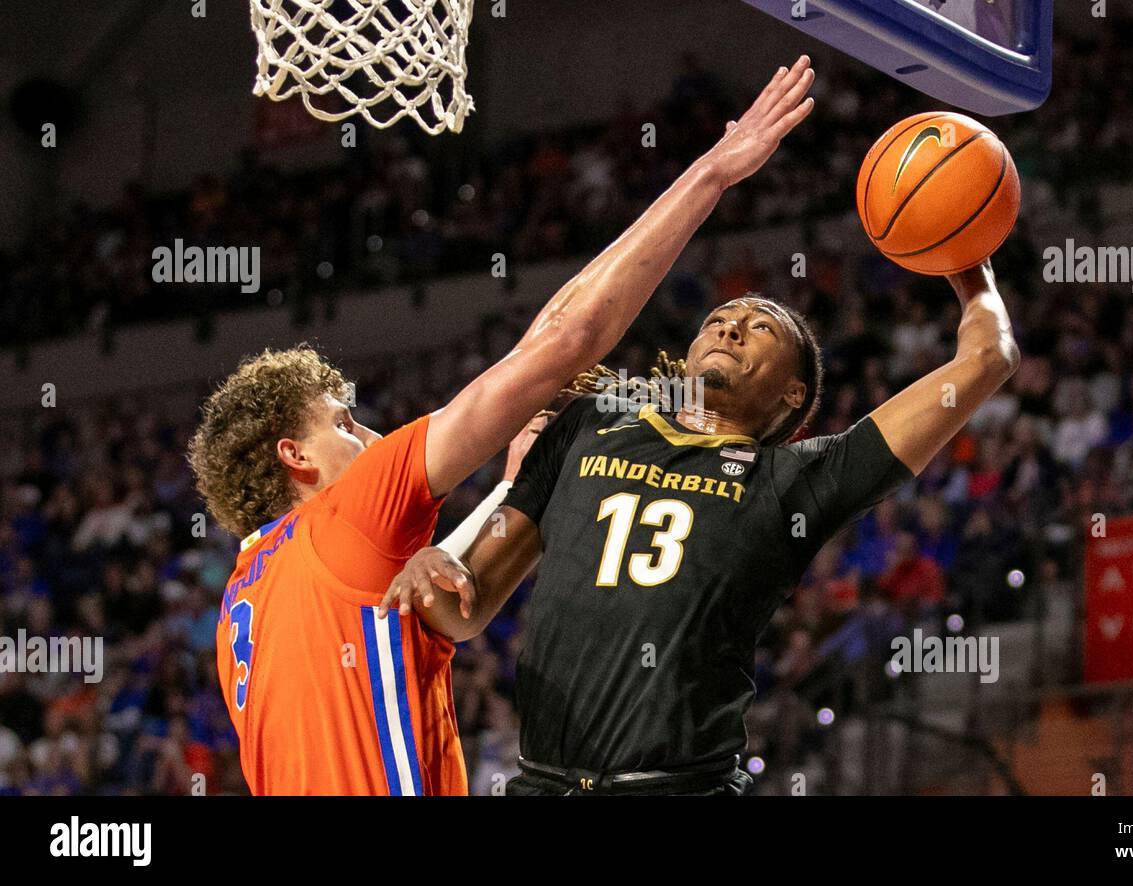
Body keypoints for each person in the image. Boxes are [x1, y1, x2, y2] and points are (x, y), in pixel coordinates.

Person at [187, 56, 818, 795]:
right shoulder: (348, 512)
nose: (369, 436)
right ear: (295, 456)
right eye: (344, 425)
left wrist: (510, 492)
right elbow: (560, 346)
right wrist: (710, 173)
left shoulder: (246, 595)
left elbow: (404, 601)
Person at [384, 255, 1019, 795]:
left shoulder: (796, 480)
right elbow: (466, 605)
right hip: (540, 781)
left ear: (794, 395)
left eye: (759, 327)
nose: (731, 328)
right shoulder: (586, 425)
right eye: (719, 320)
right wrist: (434, 563)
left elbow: (989, 356)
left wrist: (971, 271)